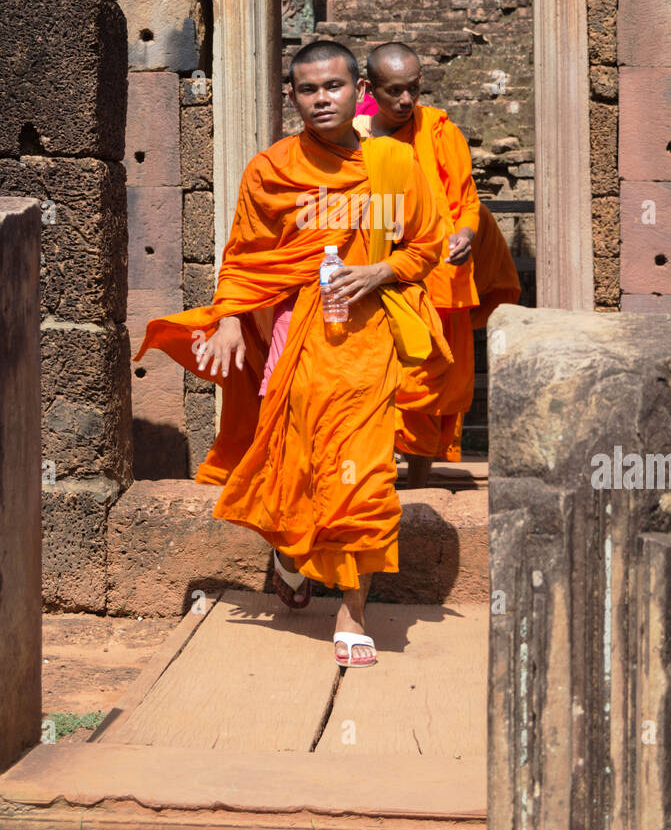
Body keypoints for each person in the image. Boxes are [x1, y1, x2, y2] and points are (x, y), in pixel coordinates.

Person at [134, 41, 451, 668]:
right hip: (294, 332)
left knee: (365, 471)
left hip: (366, 341)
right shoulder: (271, 169)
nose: (321, 99)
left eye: (333, 86)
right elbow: (247, 252)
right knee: (297, 458)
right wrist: (227, 318)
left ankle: (352, 611)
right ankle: (289, 549)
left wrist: (381, 271)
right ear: (293, 96)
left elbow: (427, 246)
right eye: (308, 90)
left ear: (356, 88)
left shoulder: (392, 164)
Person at [354, 42, 521, 488]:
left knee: (431, 379)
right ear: (369, 89)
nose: (406, 101)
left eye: (413, 89)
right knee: (378, 376)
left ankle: (420, 480)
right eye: (394, 92)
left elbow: (465, 200)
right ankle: (374, 476)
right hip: (378, 273)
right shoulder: (355, 137)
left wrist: (466, 234)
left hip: (439, 277)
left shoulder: (440, 131)